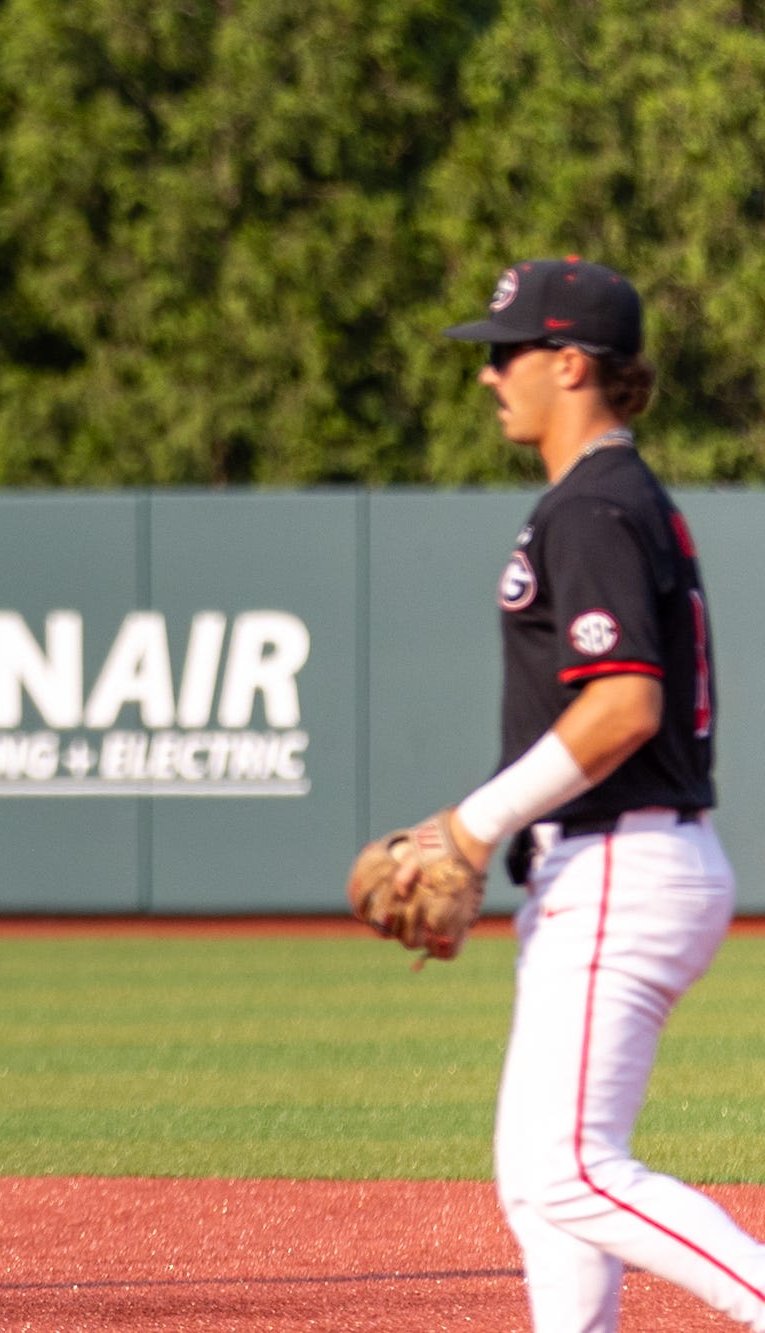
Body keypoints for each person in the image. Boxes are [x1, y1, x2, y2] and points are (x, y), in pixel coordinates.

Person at [416, 257, 765, 1330]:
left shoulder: (593, 505)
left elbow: (622, 707)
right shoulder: (607, 499)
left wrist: (467, 827)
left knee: (565, 1167)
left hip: (621, 858)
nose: (488, 375)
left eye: (504, 352)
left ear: (569, 364)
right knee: (541, 1186)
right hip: (610, 860)